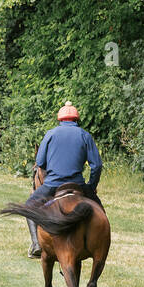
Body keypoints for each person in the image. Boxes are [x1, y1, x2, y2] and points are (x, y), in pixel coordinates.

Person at [23, 103, 103, 258]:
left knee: (29, 205)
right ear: (76, 119)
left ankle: (36, 244)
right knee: (99, 210)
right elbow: (97, 165)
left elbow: (40, 162)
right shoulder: (84, 135)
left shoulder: (50, 134)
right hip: (77, 185)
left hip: (53, 185)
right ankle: (100, 241)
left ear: (60, 119)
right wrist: (91, 186)